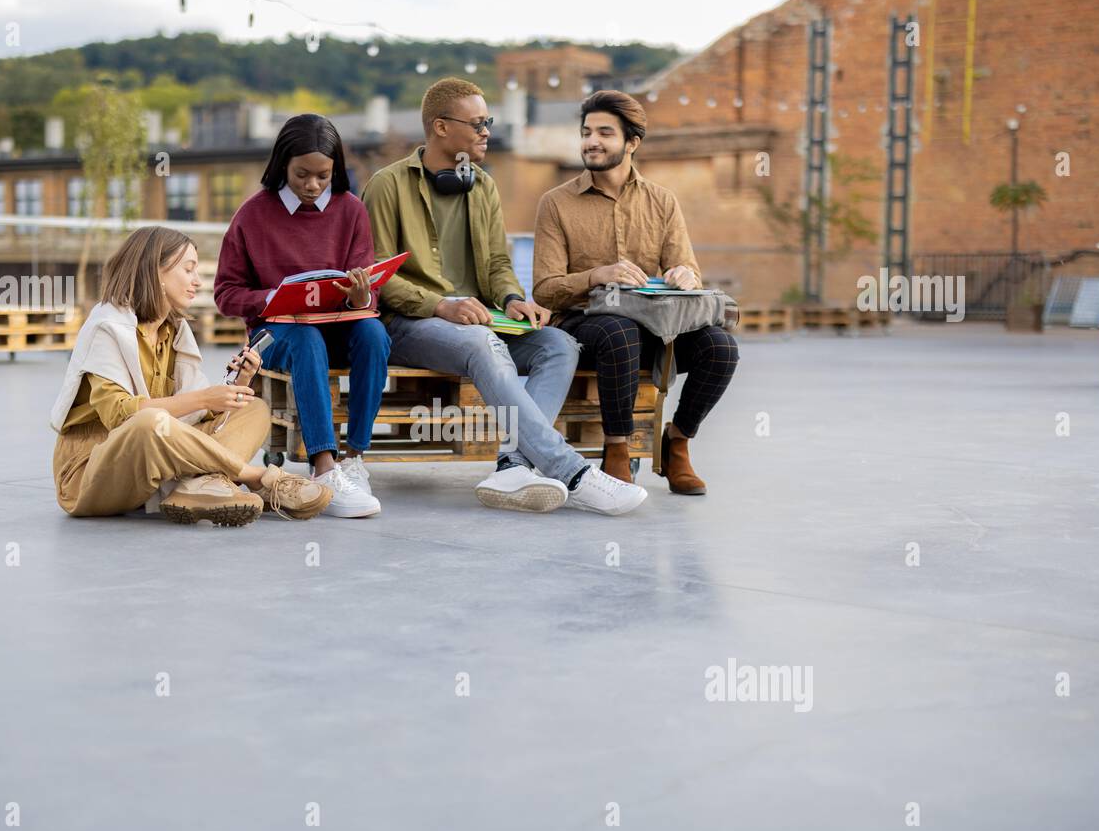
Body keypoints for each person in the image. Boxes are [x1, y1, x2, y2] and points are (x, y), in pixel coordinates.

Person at [361, 77, 647, 516]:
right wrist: (441, 305)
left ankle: (513, 466)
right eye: (477, 122)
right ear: (440, 127)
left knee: (558, 343)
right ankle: (573, 472)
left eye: (487, 121)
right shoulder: (387, 185)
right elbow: (378, 278)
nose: (486, 131)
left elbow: (497, 263)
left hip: (480, 320)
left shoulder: (483, 187)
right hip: (410, 324)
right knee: (482, 342)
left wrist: (513, 298)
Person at [50, 226, 332, 525]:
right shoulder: (108, 327)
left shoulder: (174, 331)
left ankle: (200, 487)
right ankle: (258, 478)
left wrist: (237, 386)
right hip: (91, 472)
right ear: (155, 271)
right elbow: (121, 415)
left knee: (254, 408)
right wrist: (202, 398)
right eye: (188, 269)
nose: (197, 281)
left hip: (156, 461)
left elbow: (194, 415)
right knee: (148, 422)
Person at [533, 90, 739, 493]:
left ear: (632, 143)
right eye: (587, 131)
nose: (592, 141)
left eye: (605, 133)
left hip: (653, 326)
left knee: (721, 347)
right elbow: (544, 290)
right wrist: (597, 275)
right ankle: (617, 450)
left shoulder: (662, 201)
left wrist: (685, 275)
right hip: (585, 327)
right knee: (617, 330)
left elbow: (689, 269)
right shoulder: (556, 203)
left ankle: (677, 441)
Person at [215, 114, 386, 518]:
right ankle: (323, 468)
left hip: (337, 329)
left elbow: (368, 292)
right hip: (275, 335)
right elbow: (226, 295)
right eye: (301, 174)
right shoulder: (253, 214)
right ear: (282, 166)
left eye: (323, 176)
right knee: (306, 340)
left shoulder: (352, 211)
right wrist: (273, 297)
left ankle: (354, 459)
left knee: (374, 334)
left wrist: (362, 294)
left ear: (335, 170)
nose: (312, 185)